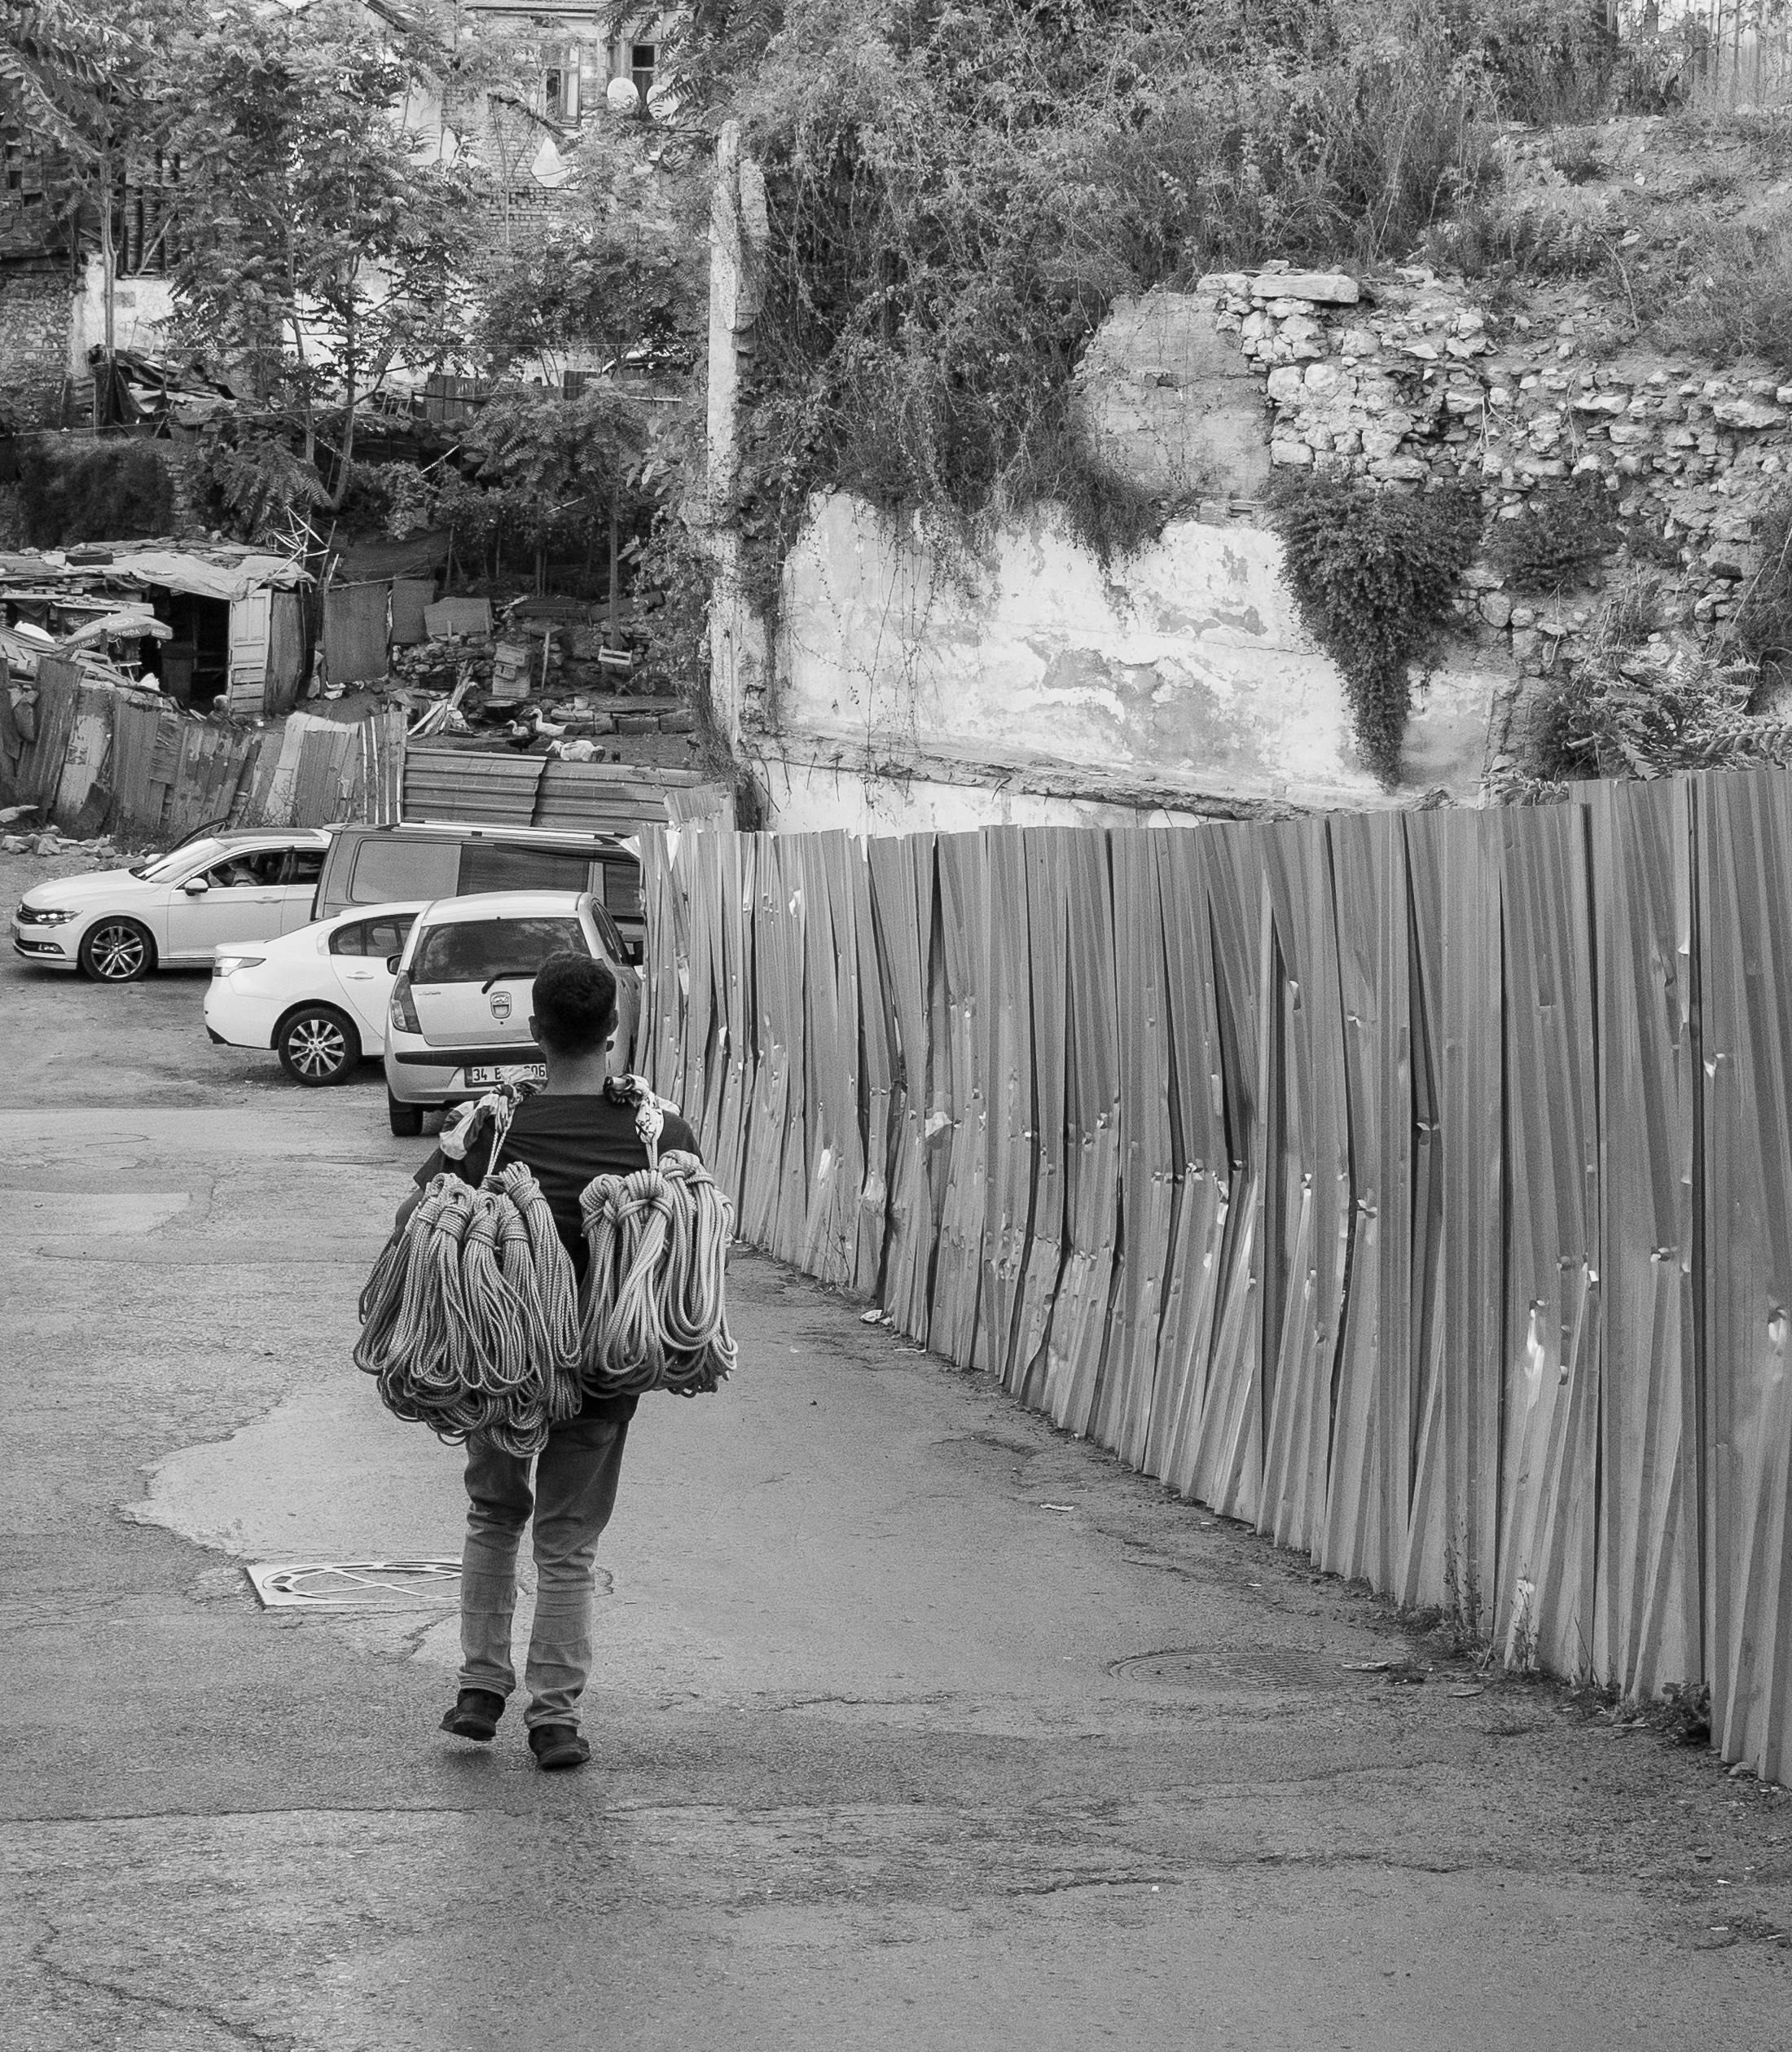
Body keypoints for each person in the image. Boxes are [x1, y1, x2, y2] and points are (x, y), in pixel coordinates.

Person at [395, 949, 699, 1771]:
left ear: (535, 1030)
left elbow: (412, 1216)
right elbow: (694, 1242)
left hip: (506, 1369)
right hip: (604, 1372)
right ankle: (554, 1719)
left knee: (495, 1514)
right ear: (612, 1029)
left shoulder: (491, 1126)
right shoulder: (658, 1133)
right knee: (567, 1540)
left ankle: (479, 1688)